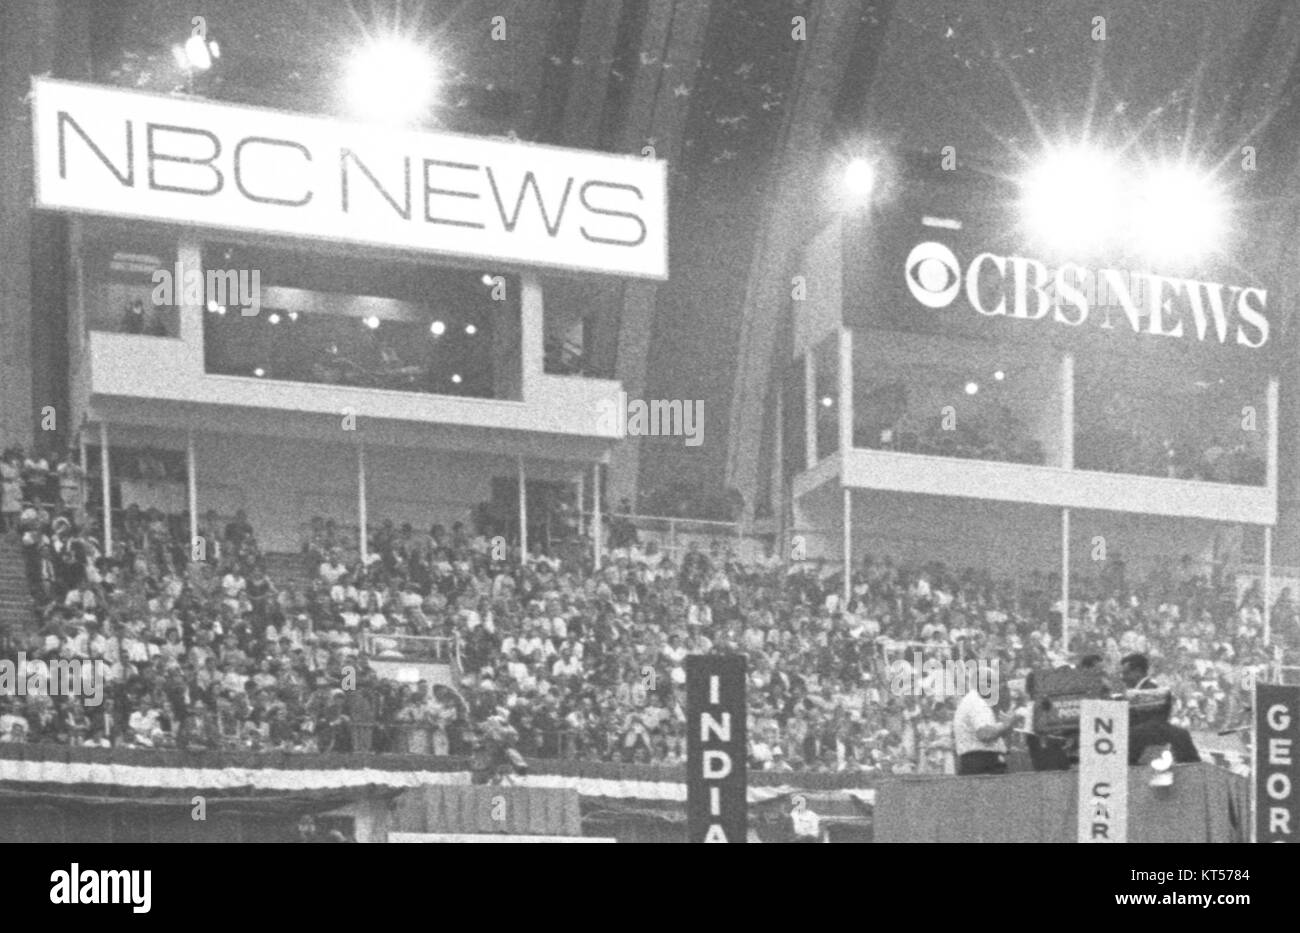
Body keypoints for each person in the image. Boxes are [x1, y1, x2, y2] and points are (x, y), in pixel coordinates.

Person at [952, 685, 1020, 776]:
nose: (1002, 691)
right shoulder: (977, 703)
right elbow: (985, 733)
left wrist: (1003, 726)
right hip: (982, 763)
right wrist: (1005, 725)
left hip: (976, 761)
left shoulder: (971, 701)